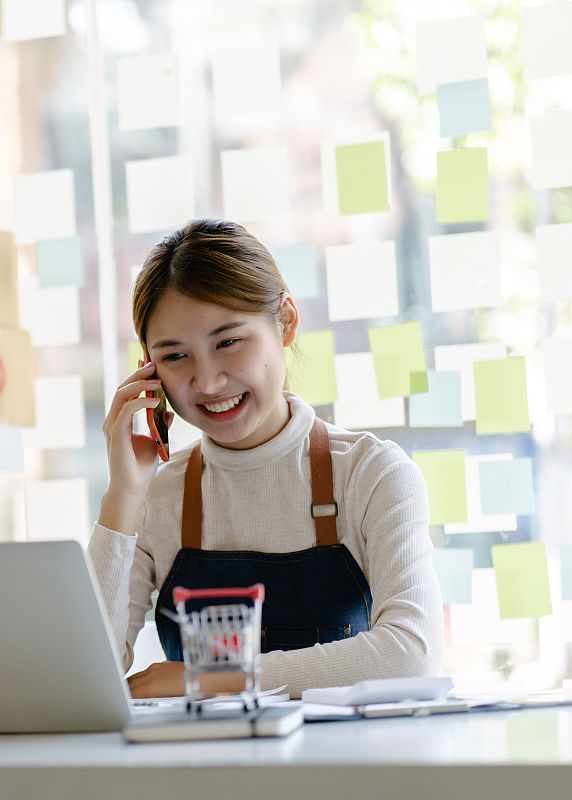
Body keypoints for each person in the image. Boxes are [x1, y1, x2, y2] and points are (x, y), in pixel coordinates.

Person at [89, 218, 443, 699]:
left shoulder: (372, 474)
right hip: (202, 771)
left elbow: (411, 657)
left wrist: (212, 681)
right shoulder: (157, 494)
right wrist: (123, 497)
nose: (208, 382)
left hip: (346, 770)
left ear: (287, 322)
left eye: (228, 343)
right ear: (148, 372)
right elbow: (87, 675)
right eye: (175, 357)